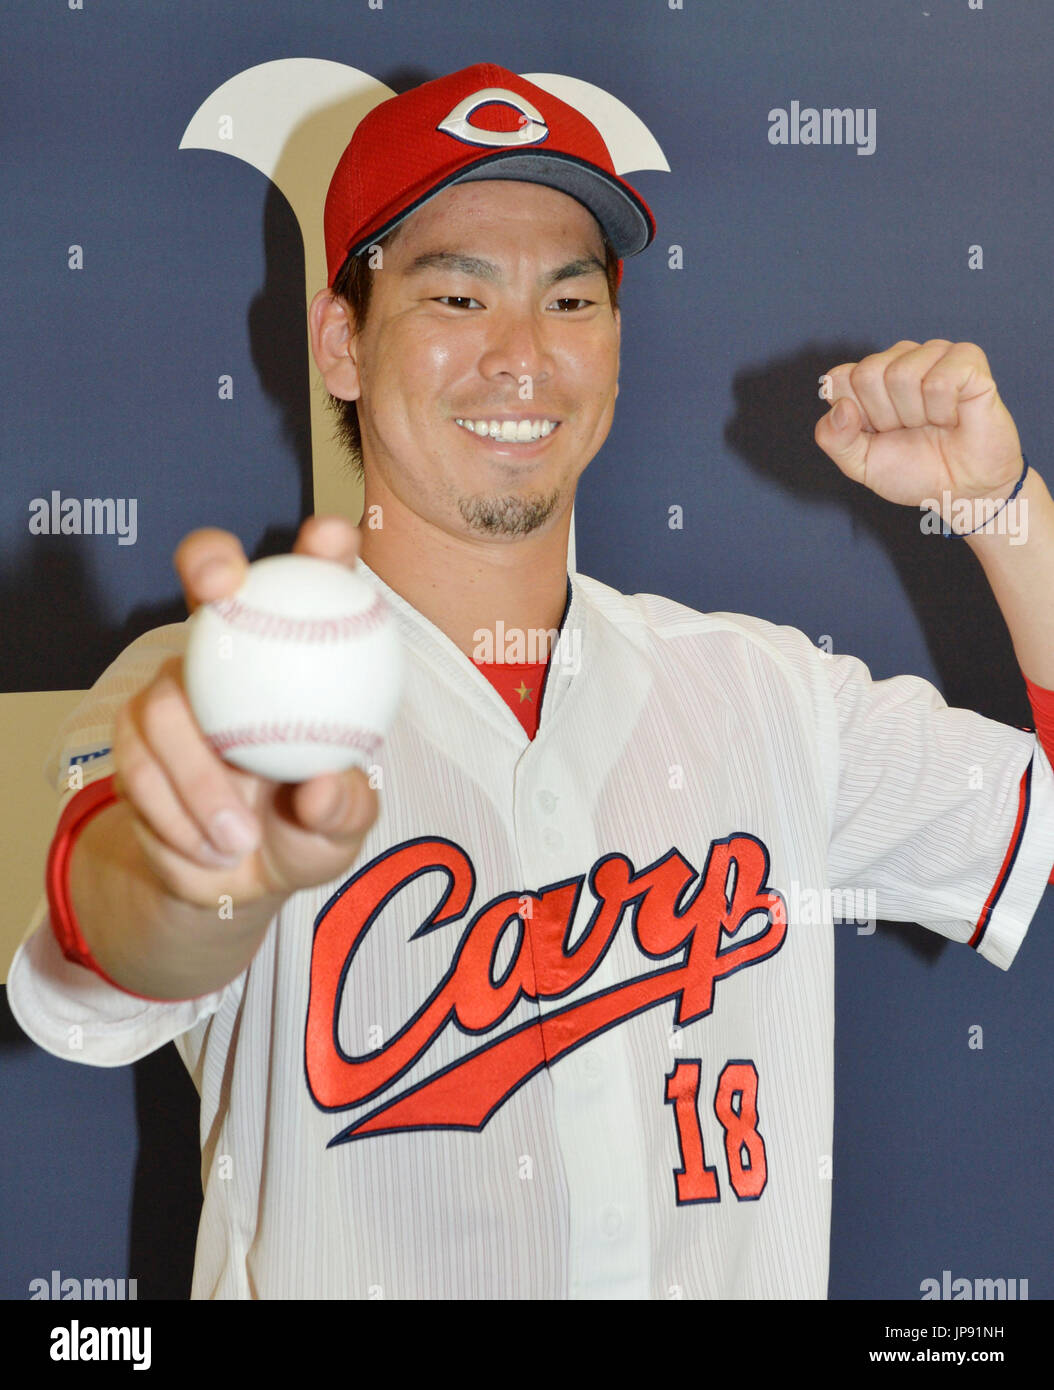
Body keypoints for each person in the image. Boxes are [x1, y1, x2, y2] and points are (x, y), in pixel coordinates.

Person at [9, 62, 1054, 1300]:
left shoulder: (768, 691)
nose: (522, 358)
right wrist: (193, 886)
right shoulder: (209, 693)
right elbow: (108, 943)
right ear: (340, 341)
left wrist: (1004, 512)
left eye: (571, 301)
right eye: (457, 292)